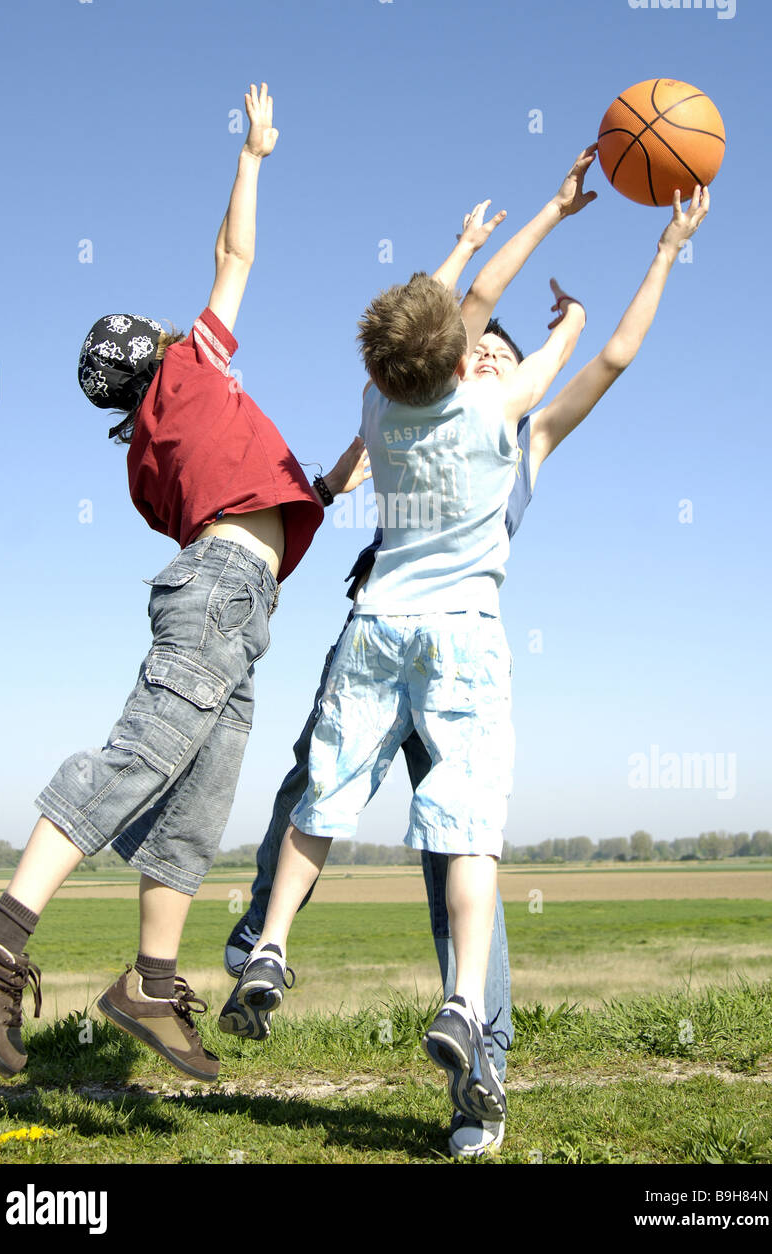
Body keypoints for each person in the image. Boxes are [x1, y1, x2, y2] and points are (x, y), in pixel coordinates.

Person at [222, 174, 711, 1155]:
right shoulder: (457, 403)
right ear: (449, 365)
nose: (484, 347)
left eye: (497, 349)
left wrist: (647, 255)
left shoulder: (503, 425)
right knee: (346, 800)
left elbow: (604, 354)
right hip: (431, 638)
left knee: (424, 845)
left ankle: (470, 1070)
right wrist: (568, 271)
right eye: (472, 346)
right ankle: (263, 945)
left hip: (396, 633)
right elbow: (510, 320)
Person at [0, 84, 366, 1084]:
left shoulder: (148, 458)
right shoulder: (187, 378)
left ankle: (148, 980)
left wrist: (343, 468)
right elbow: (235, 257)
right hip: (224, 593)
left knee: (194, 804)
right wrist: (255, 155)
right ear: (157, 356)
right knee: (140, 759)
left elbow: (262, 496)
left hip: (241, 603)